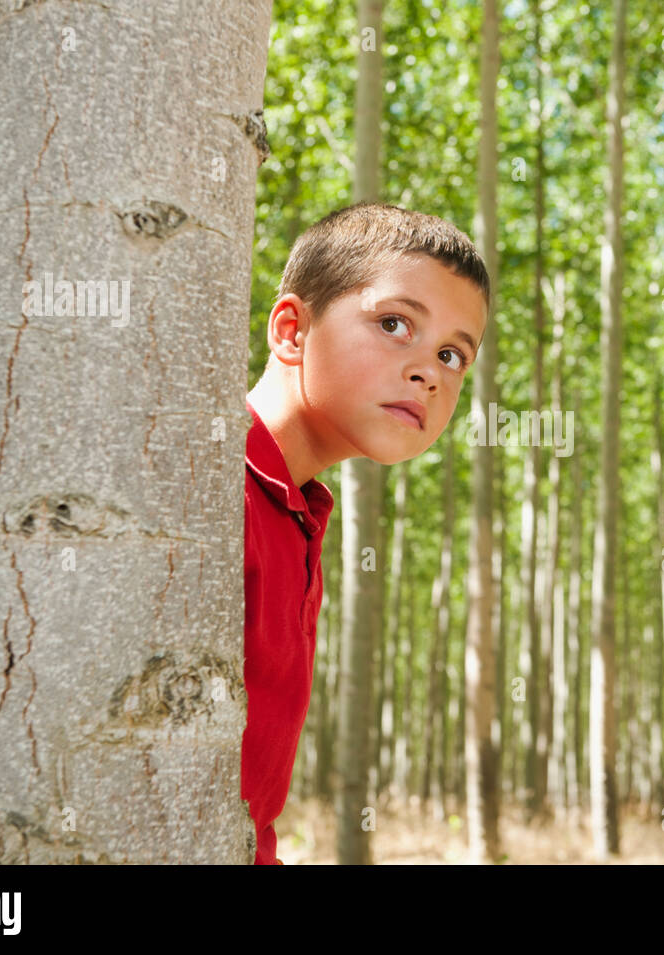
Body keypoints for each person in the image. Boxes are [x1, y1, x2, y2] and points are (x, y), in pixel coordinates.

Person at [241, 201, 490, 864]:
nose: (429, 371)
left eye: (452, 354)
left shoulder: (298, 512)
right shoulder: (208, 489)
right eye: (393, 323)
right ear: (293, 330)